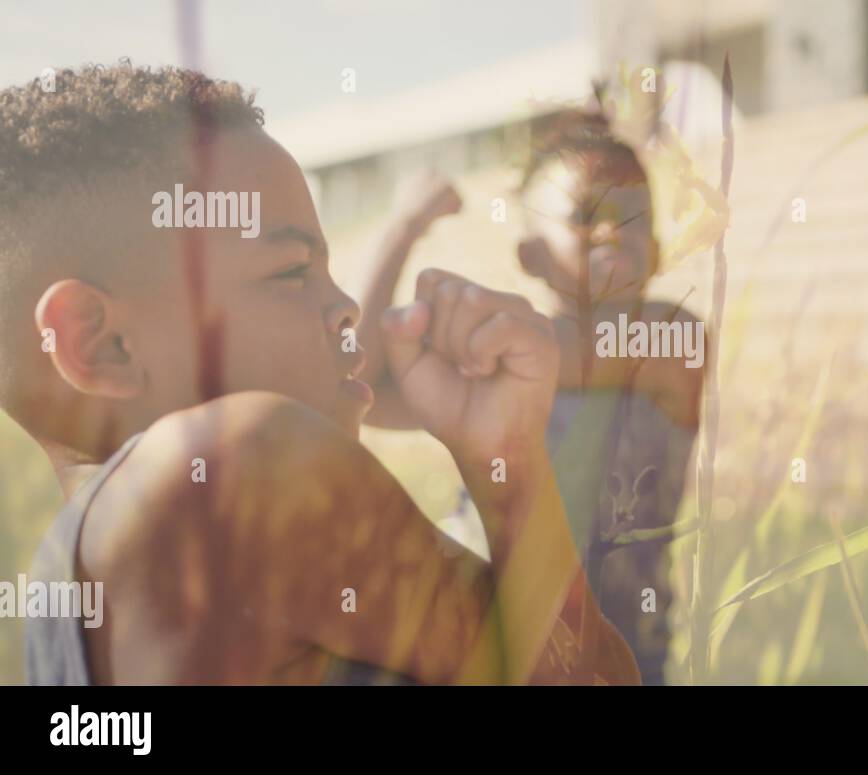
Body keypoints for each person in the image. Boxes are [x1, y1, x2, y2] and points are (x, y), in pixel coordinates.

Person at [3, 63, 638, 685]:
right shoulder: (242, 462)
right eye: (290, 271)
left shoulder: (62, 612)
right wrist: (514, 466)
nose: (345, 309)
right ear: (100, 343)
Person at [356, 110, 703, 685]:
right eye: (584, 215)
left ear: (660, 252)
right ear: (531, 258)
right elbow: (361, 379)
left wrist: (456, 345)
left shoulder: (674, 338)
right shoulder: (507, 355)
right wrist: (403, 225)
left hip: (616, 658)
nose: (611, 232)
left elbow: (572, 350)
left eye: (631, 217)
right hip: (477, 645)